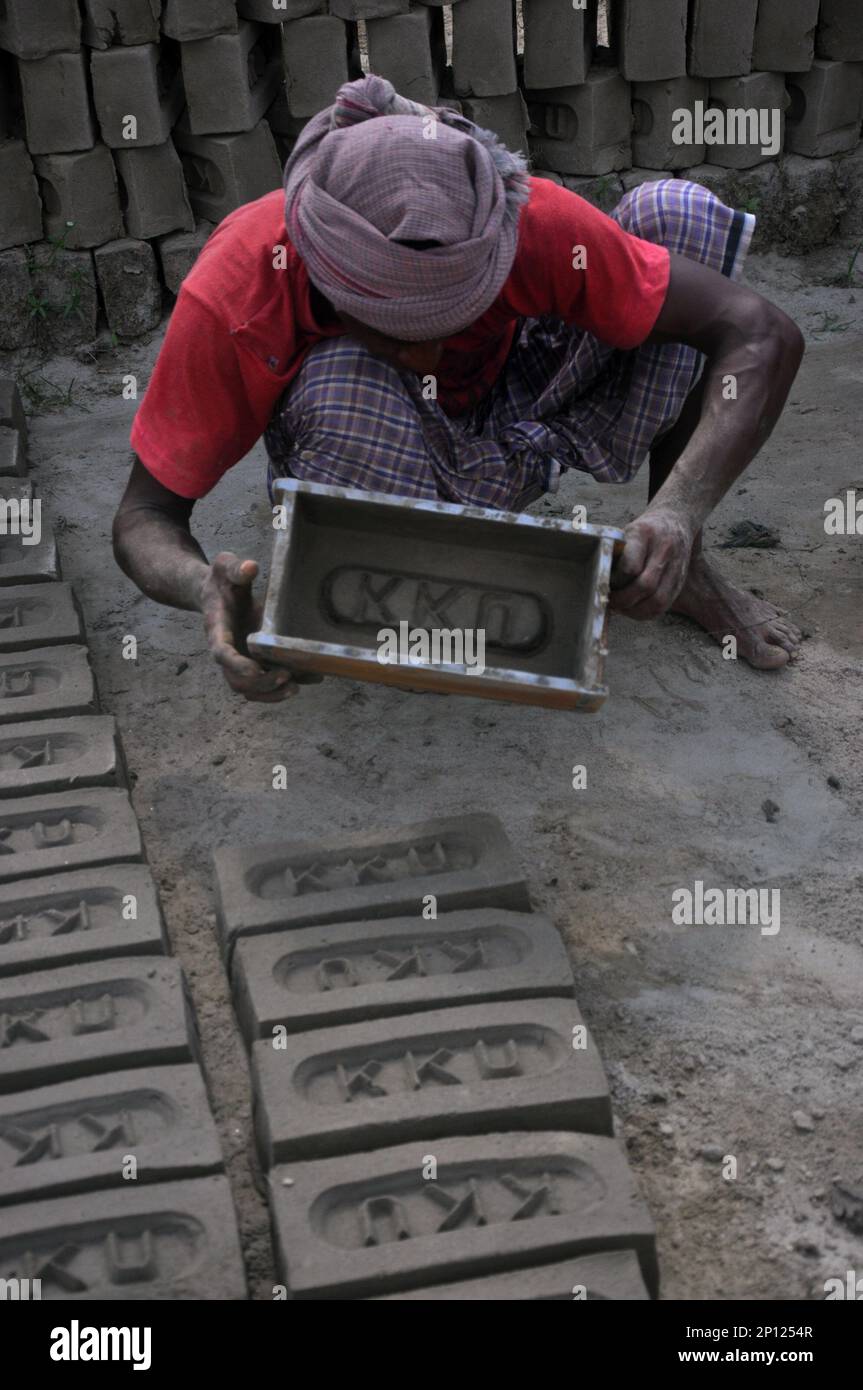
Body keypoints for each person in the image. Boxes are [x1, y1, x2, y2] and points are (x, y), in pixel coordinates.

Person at [113, 75, 804, 704]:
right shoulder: (242, 283)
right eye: (392, 332)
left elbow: (760, 334)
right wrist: (201, 586)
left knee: (676, 213)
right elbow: (144, 518)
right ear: (325, 277)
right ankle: (400, 577)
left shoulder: (516, 215)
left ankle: (681, 569)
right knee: (341, 383)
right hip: (385, 448)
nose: (428, 353)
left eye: (457, 316)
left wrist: (679, 513)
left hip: (528, 410)